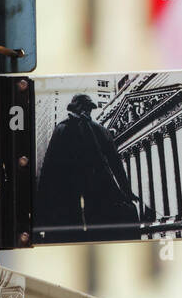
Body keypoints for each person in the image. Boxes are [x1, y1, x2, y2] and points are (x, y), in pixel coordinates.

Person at [35, 93, 143, 242]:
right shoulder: (64, 129)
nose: (87, 112)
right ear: (77, 108)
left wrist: (126, 190)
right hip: (73, 195)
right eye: (85, 108)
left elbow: (115, 163)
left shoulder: (96, 130)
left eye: (89, 109)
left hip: (94, 193)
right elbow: (49, 169)